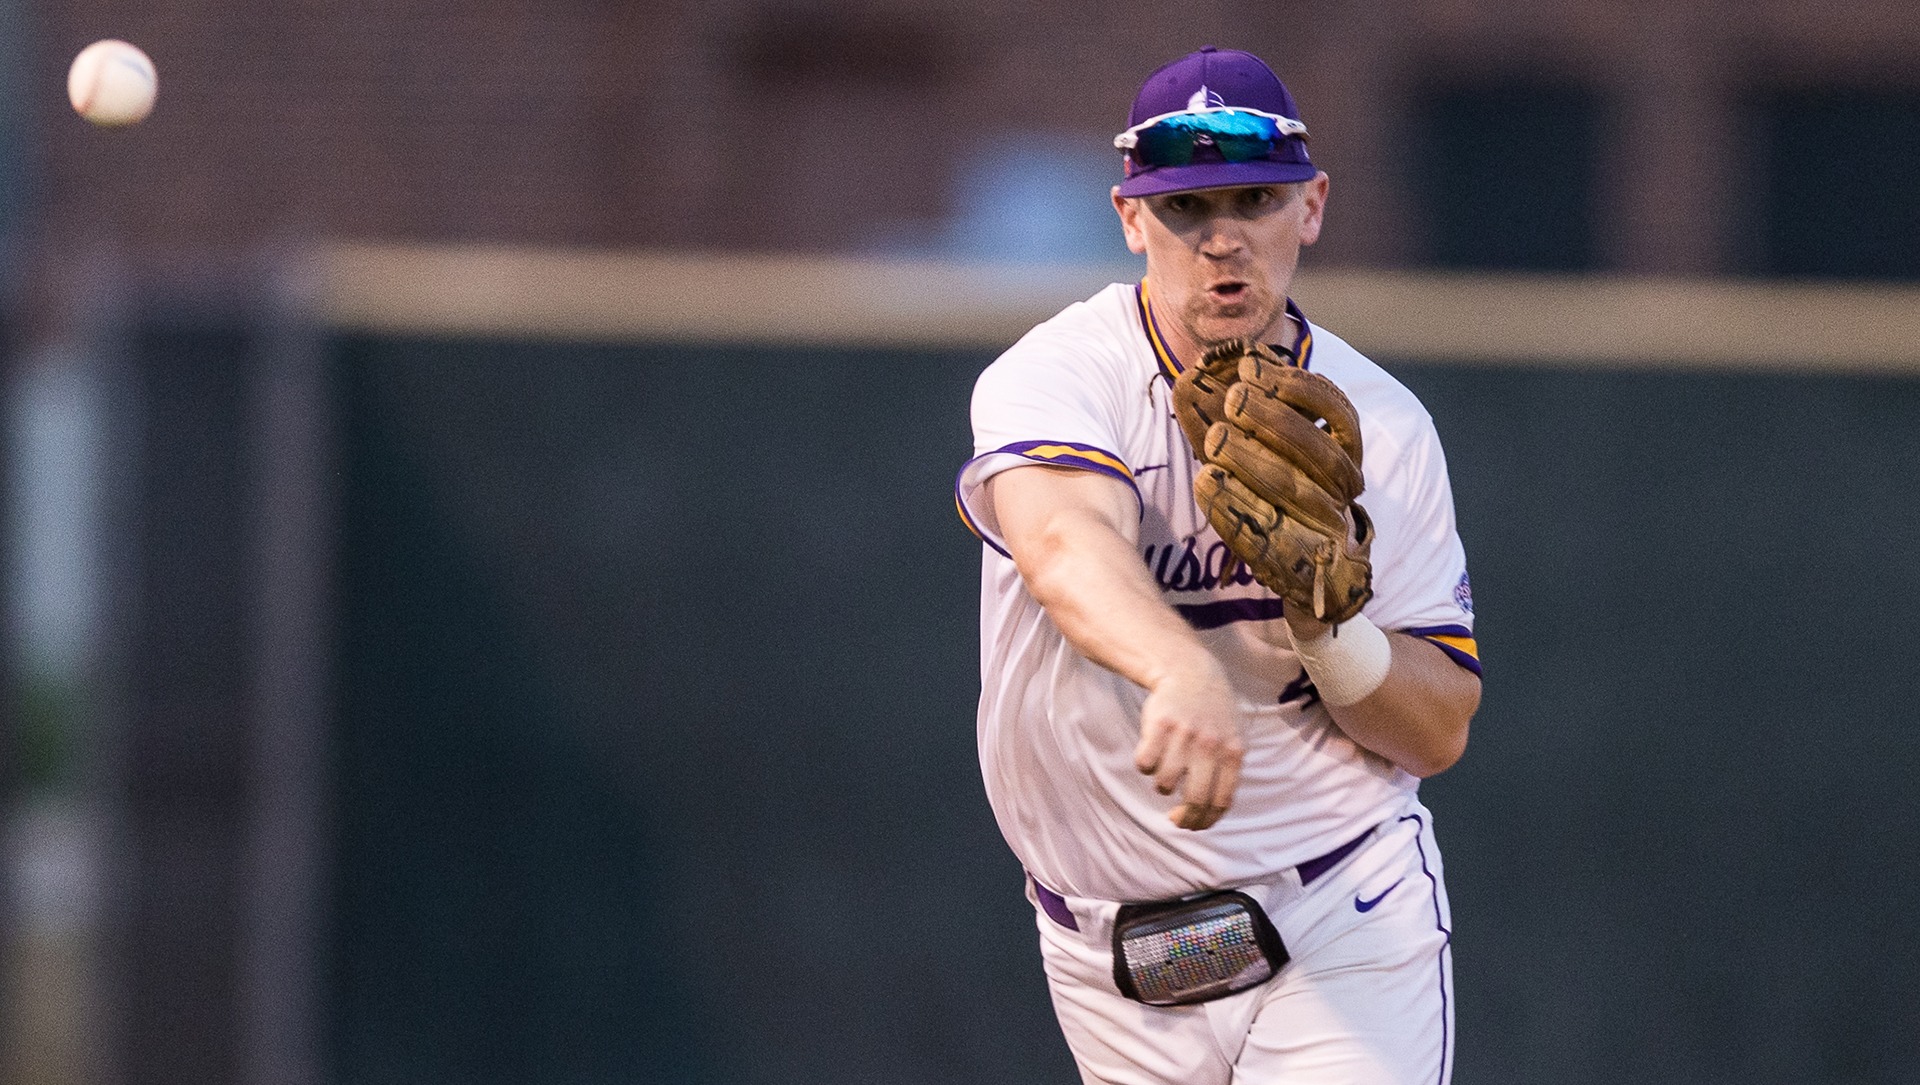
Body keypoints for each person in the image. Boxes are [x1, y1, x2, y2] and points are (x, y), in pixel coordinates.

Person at [953, 46, 1482, 1084]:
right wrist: (1179, 666)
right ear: (1131, 218)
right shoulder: (1062, 372)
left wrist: (1332, 631)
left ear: (1313, 205)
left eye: (1255, 197)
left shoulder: (1382, 425)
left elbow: (1439, 724)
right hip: (1111, 955)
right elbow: (1066, 540)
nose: (1224, 236)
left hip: (1338, 907)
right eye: (1188, 206)